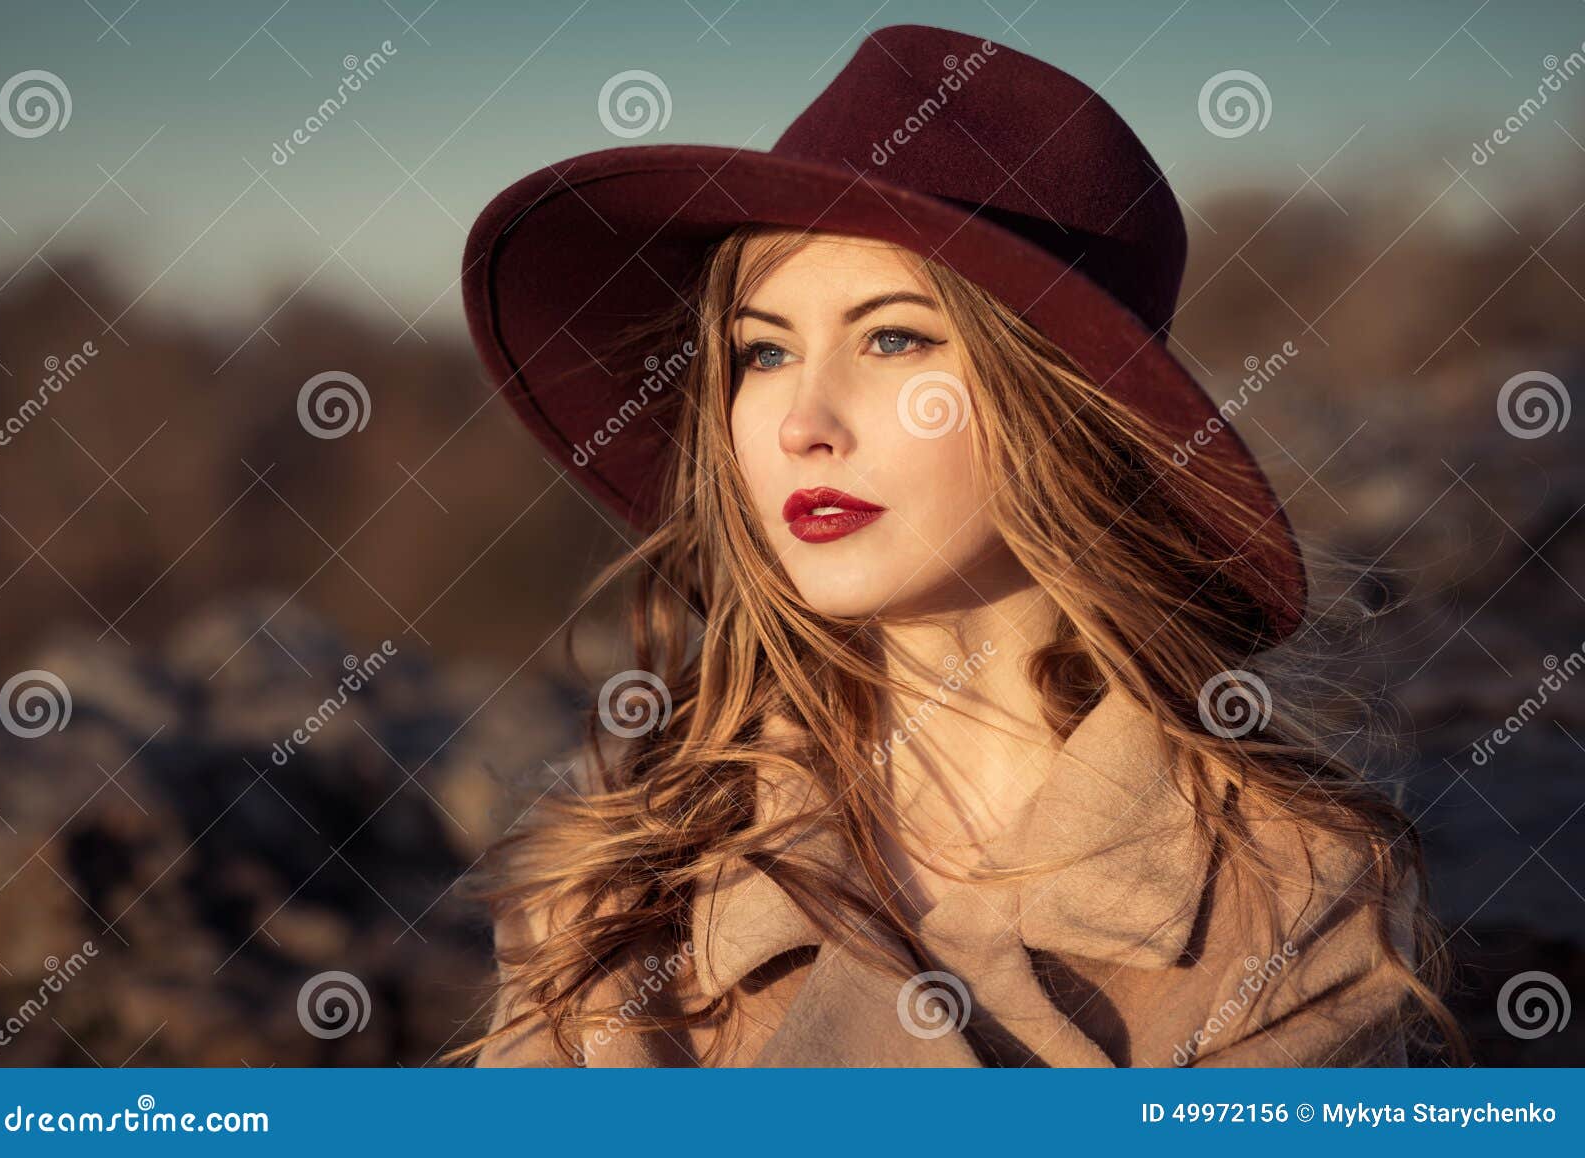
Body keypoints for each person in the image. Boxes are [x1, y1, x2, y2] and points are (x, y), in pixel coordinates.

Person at [445, 23, 1466, 1067]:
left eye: (893, 338)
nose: (803, 422)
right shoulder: (625, 873)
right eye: (762, 350)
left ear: (1059, 406)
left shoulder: (1286, 891)